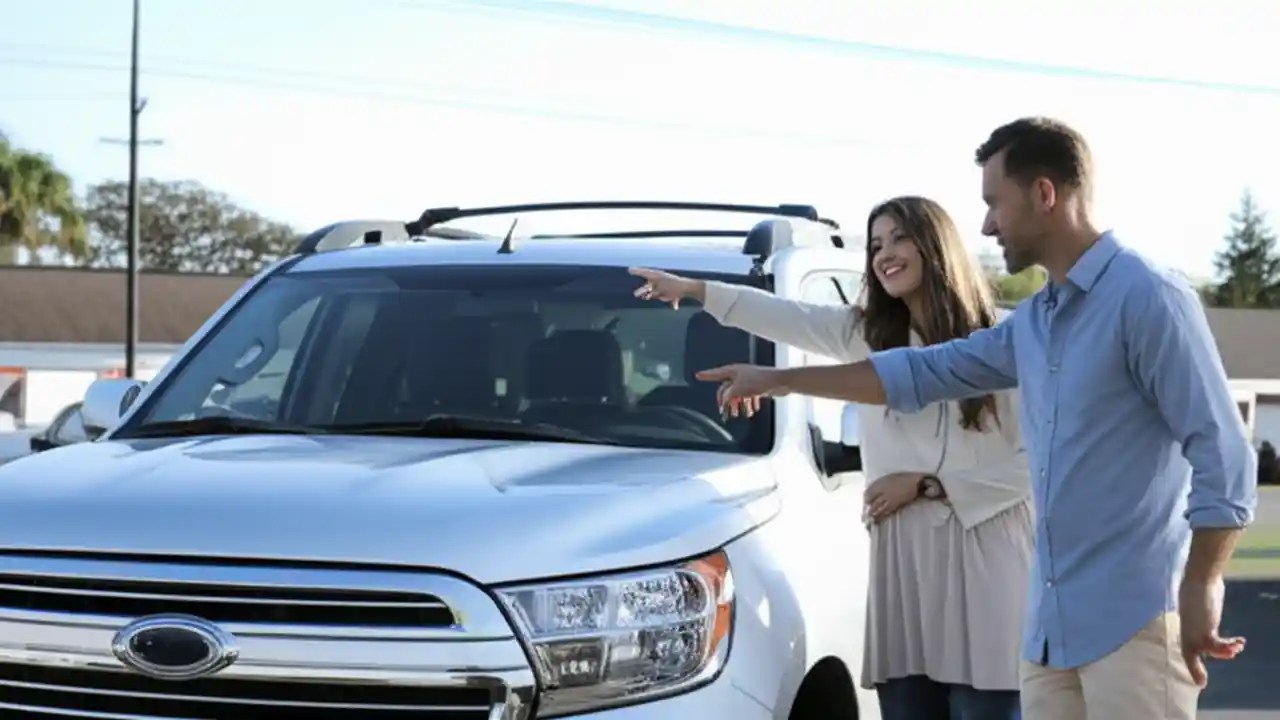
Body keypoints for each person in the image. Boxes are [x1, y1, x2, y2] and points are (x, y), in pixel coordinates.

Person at [692, 117, 1258, 719]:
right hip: (1046, 635)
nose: (986, 224)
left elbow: (1224, 454)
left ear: (1045, 194)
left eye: (995, 203)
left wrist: (1203, 584)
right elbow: (913, 373)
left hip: (1135, 624)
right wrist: (781, 379)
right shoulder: (1034, 322)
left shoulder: (1151, 299)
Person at [631, 195, 1032, 719]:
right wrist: (697, 291)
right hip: (904, 555)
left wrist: (929, 484)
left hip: (988, 557)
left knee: (989, 708)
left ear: (935, 245)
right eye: (875, 245)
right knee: (909, 707)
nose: (883, 254)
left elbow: (1036, 464)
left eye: (898, 239)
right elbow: (787, 316)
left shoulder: (1005, 338)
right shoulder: (869, 334)